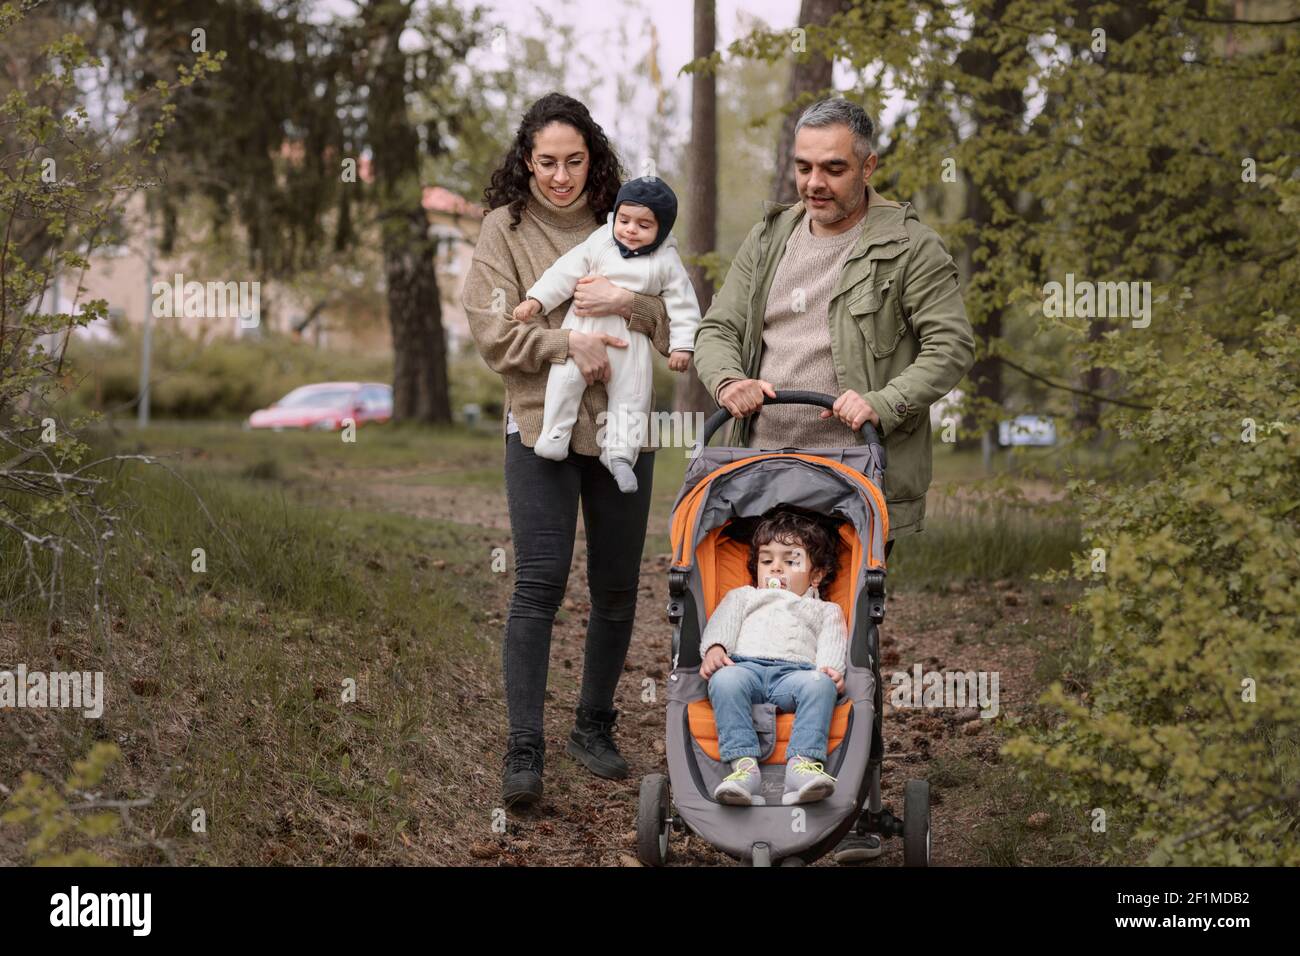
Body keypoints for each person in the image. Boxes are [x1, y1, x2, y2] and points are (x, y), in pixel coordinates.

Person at [692, 97, 976, 855]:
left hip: (852, 474)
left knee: (847, 641)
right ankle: (745, 769)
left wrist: (882, 400)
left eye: (833, 168)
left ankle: (850, 801)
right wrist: (727, 383)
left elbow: (949, 347)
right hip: (751, 466)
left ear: (870, 166)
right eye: (804, 167)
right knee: (744, 622)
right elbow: (718, 329)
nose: (814, 183)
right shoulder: (771, 234)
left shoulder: (909, 247)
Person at [463, 93, 674, 809]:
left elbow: (672, 318)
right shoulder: (505, 229)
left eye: (574, 162)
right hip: (538, 430)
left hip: (624, 428)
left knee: (616, 589)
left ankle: (594, 724)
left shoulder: (628, 222)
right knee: (539, 583)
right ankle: (524, 747)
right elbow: (493, 332)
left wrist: (629, 306)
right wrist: (567, 342)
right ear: (526, 160)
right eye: (547, 162)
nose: (560, 177)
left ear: (595, 159)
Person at [511, 176, 699, 492]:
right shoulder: (601, 241)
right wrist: (537, 299)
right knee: (566, 379)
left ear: (662, 230)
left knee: (633, 395)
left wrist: (683, 346)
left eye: (643, 225)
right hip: (583, 329)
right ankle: (555, 433)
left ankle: (619, 455)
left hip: (630, 343)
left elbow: (683, 304)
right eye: (624, 220)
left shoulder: (667, 261)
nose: (630, 230)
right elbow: (565, 270)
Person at [699, 511, 847, 806]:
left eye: (790, 561)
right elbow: (721, 626)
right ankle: (743, 768)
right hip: (745, 668)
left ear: (816, 575)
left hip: (795, 677)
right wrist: (715, 649)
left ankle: (801, 766)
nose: (775, 569)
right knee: (724, 680)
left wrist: (830, 672)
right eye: (767, 561)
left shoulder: (825, 610)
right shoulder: (743, 597)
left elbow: (832, 641)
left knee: (820, 685)